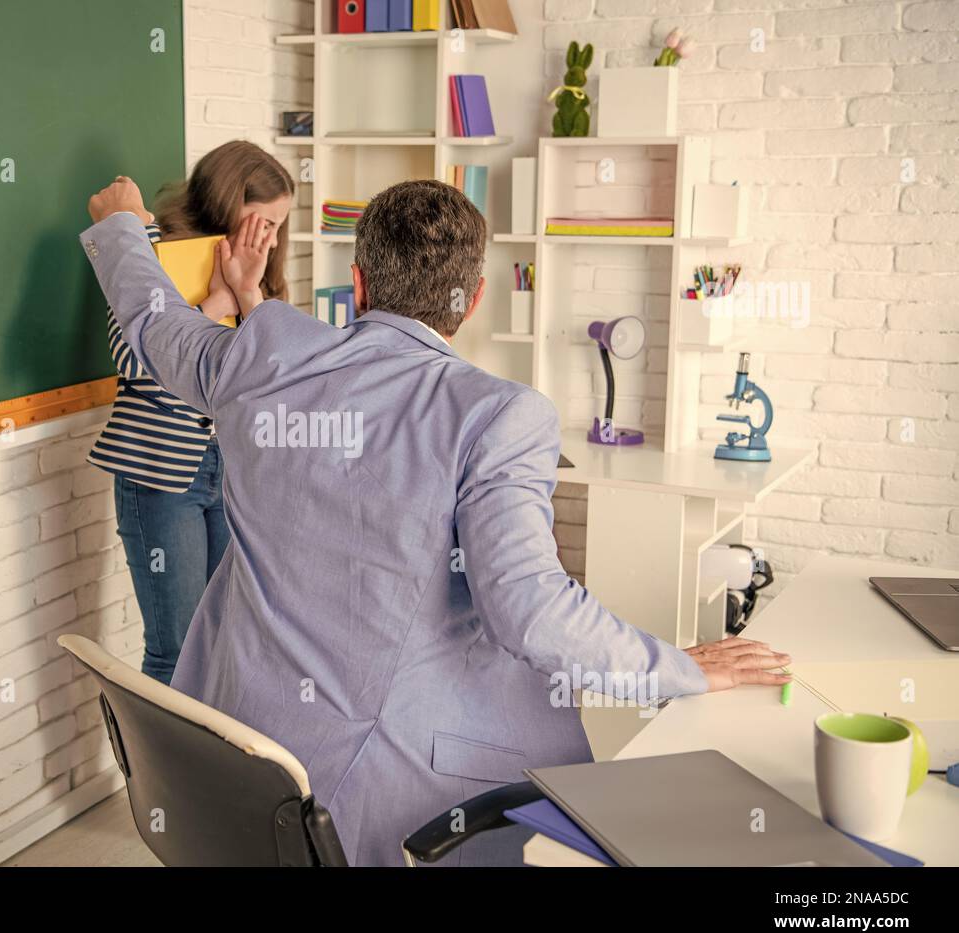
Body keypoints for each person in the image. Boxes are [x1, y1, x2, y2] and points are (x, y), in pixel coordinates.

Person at [80, 177, 792, 866]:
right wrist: (672, 669)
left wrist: (124, 225)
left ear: (357, 285)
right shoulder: (500, 415)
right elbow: (530, 612)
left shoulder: (258, 359)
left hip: (240, 765)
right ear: (473, 299)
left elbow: (154, 323)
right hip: (392, 797)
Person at [86, 142, 293, 684]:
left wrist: (248, 294)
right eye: (264, 220)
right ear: (230, 200)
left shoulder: (254, 269)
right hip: (161, 474)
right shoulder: (150, 248)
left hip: (226, 473)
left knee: (222, 639)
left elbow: (270, 374)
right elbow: (134, 360)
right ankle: (161, 772)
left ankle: (209, 766)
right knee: (175, 648)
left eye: (279, 225)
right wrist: (216, 307)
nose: (271, 236)